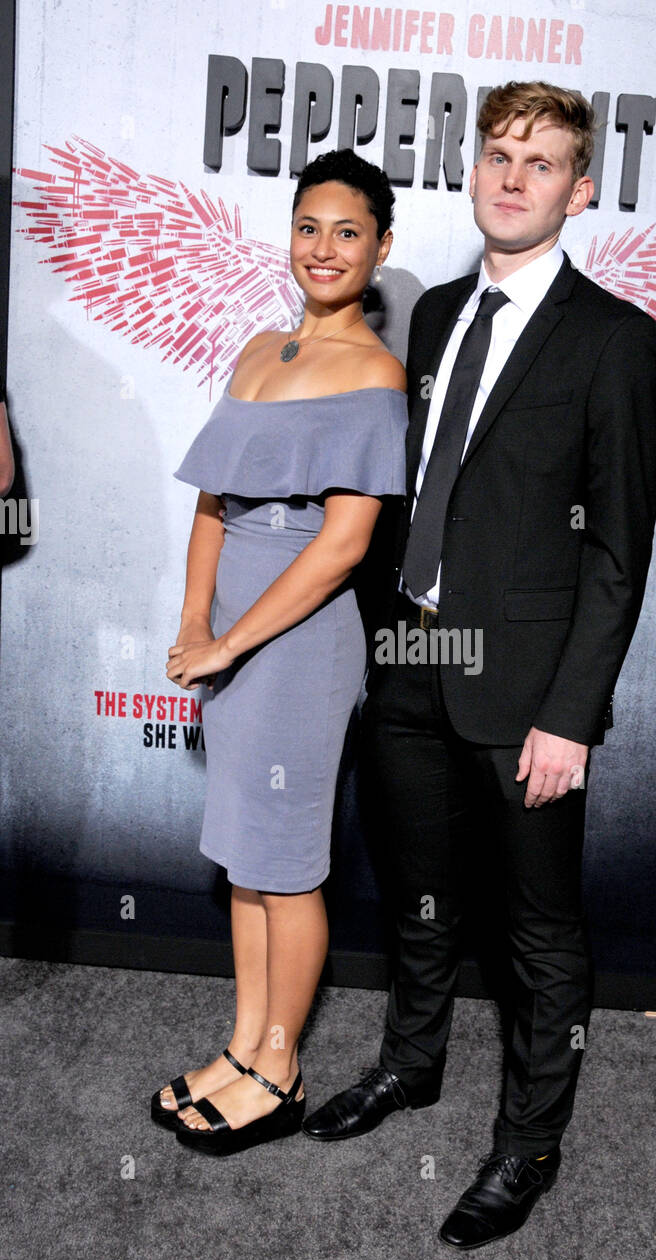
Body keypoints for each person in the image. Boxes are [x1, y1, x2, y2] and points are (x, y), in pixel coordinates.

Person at [302, 81, 656, 1249]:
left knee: (538, 933)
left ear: (579, 186)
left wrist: (571, 717)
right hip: (411, 659)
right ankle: (411, 1067)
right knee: (419, 899)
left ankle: (528, 1144)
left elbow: (617, 551)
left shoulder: (615, 339)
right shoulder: (435, 312)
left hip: (526, 700)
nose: (514, 178)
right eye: (499, 155)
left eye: (542, 161)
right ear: (474, 168)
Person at [149, 149, 408, 1157]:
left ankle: (279, 1068)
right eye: (310, 227)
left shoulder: (375, 374)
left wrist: (229, 641)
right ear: (288, 236)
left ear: (380, 247)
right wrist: (189, 623)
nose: (325, 248)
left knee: (289, 866)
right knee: (248, 865)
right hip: (228, 635)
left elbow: (344, 546)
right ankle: (243, 1046)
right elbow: (214, 502)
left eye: (349, 231)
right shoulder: (259, 350)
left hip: (300, 643)